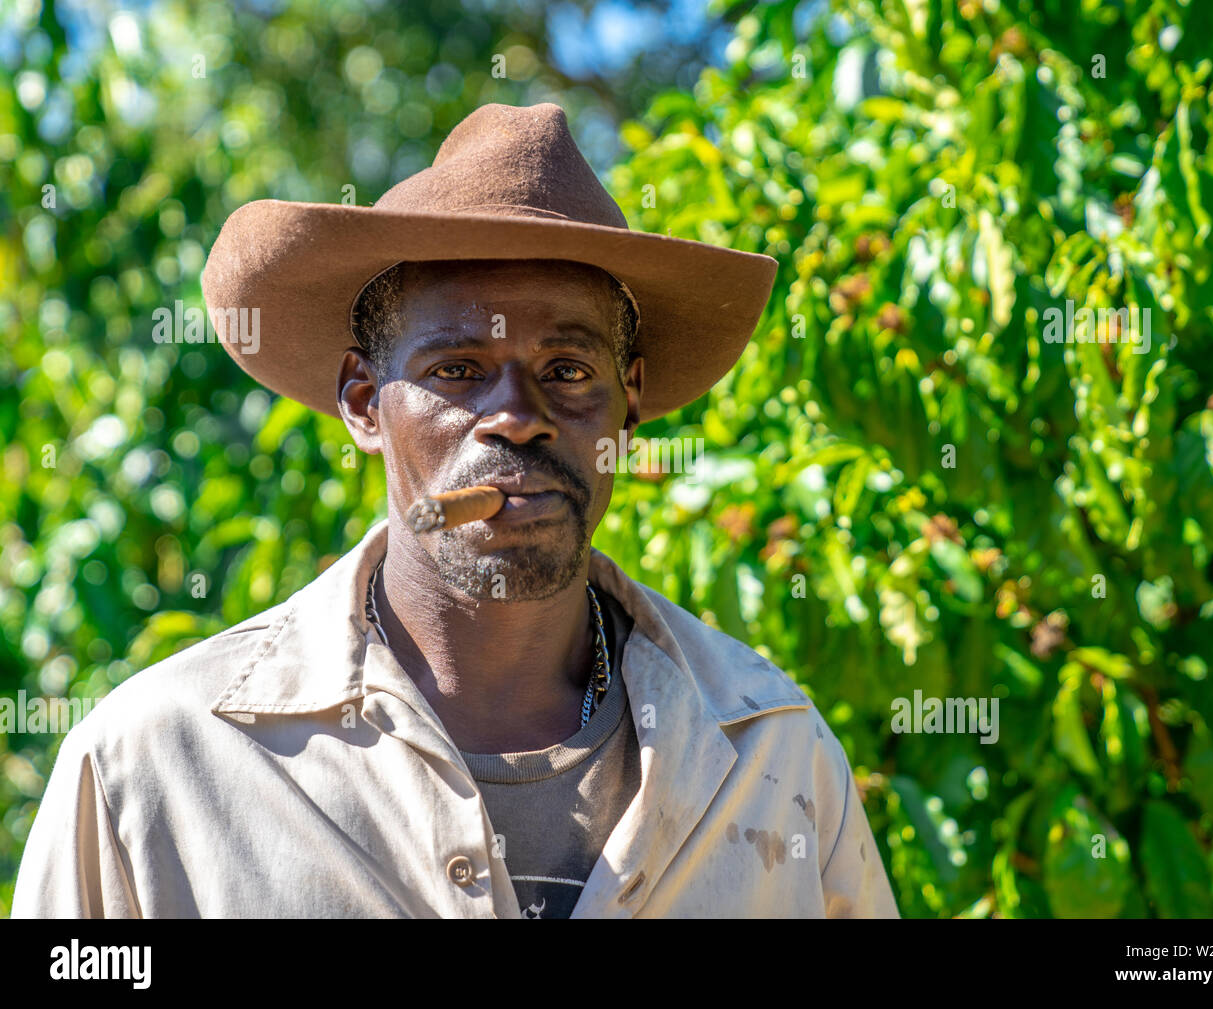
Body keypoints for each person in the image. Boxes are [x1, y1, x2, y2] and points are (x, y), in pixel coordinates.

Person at [12, 102, 898, 918]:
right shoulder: (154, 764)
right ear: (363, 401)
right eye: (456, 371)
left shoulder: (771, 752)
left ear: (629, 403)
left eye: (568, 370)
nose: (517, 415)